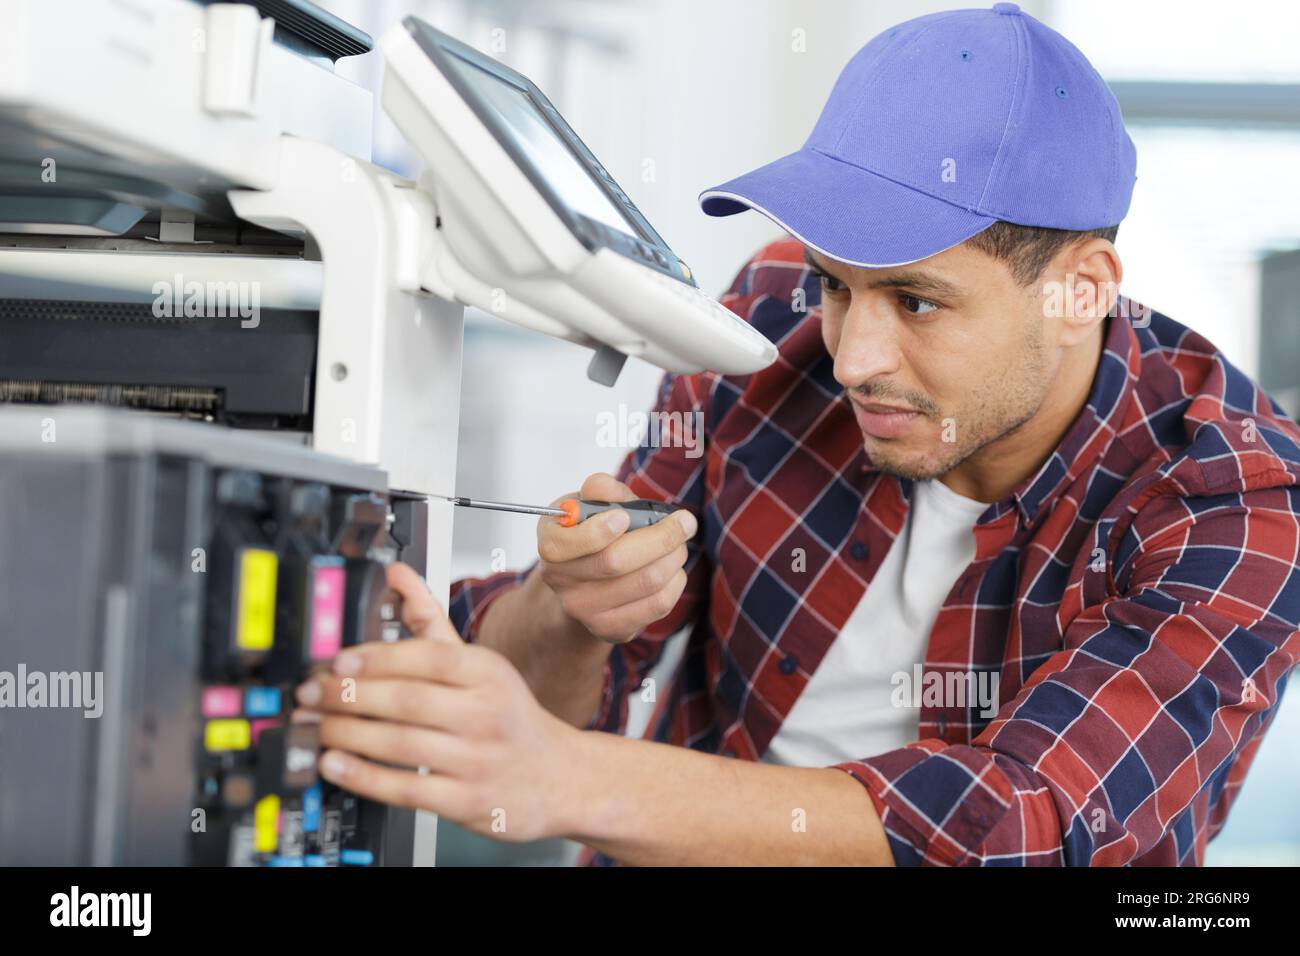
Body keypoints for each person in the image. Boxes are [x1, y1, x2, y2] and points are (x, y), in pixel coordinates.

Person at [292, 3, 1300, 865]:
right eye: (837, 283)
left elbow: (1028, 816)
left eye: (915, 300)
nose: (853, 354)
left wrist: (569, 780)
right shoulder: (772, 311)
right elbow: (555, 704)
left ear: (1081, 289)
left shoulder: (1238, 495)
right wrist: (565, 610)